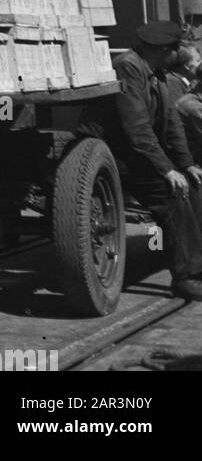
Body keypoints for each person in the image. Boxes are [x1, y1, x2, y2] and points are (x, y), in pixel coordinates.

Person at [83, 21, 202, 301]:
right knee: (173, 193)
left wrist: (186, 165)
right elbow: (135, 127)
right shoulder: (128, 67)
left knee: (195, 186)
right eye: (176, 49)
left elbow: (171, 123)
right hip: (118, 153)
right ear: (165, 51)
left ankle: (198, 263)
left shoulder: (157, 72)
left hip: (139, 152)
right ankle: (184, 277)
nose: (180, 55)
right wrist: (168, 170)